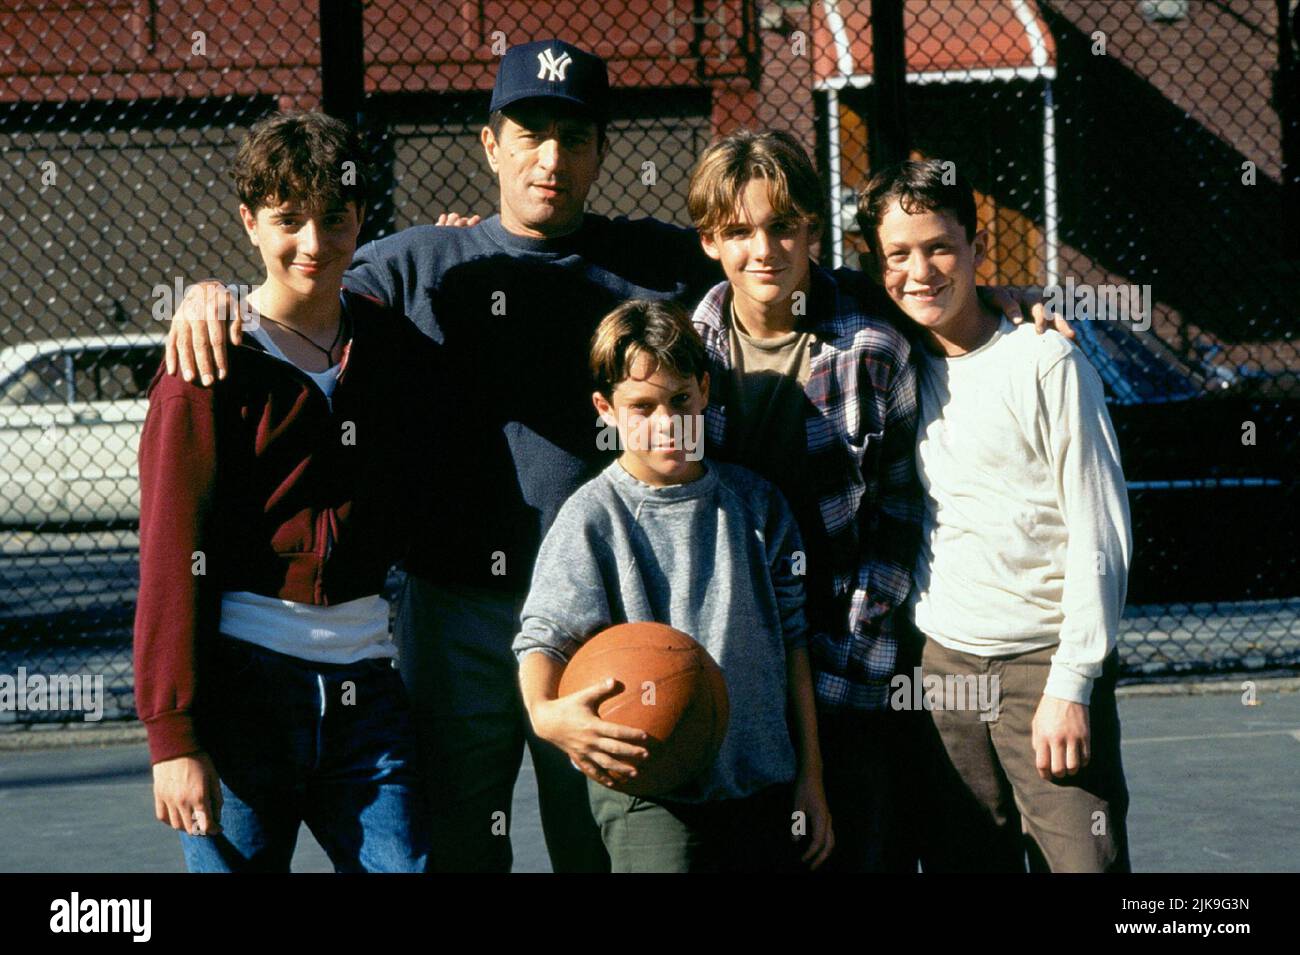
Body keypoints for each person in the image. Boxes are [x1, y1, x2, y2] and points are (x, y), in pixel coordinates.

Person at [162, 39, 1060, 873]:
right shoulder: (421, 263)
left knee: (601, 843)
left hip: (604, 612)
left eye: (573, 137)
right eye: (529, 134)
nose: (550, 157)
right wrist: (210, 296)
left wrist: (985, 303)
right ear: (490, 145)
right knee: (460, 848)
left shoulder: (650, 261)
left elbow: (779, 261)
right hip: (455, 613)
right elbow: (300, 279)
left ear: (598, 152)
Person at [134, 111, 435, 872]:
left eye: (333, 219)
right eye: (288, 220)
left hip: (368, 689)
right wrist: (172, 735)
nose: (312, 242)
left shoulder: (392, 348)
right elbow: (171, 551)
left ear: (360, 217)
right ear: (249, 223)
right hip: (246, 696)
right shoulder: (208, 364)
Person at [858, 158, 1132, 872]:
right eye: (899, 254)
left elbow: (1101, 532)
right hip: (942, 667)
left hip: (1043, 665)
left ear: (979, 248)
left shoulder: (1046, 362)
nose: (921, 270)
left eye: (941, 247)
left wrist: (1073, 683)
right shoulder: (893, 358)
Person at [514, 299, 832, 872]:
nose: (667, 423)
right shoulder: (594, 516)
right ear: (605, 409)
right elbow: (543, 637)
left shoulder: (756, 503)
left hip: (762, 785)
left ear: (705, 391)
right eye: (642, 406)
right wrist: (544, 713)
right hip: (651, 793)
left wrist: (811, 777)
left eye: (680, 400)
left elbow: (794, 642)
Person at [685, 129, 923, 871]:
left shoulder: (872, 350)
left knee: (854, 851)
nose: (764, 250)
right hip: (731, 664)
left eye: (783, 227)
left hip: (846, 658)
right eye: (738, 232)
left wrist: (854, 654)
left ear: (813, 231)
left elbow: (899, 517)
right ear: (709, 242)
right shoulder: (689, 355)